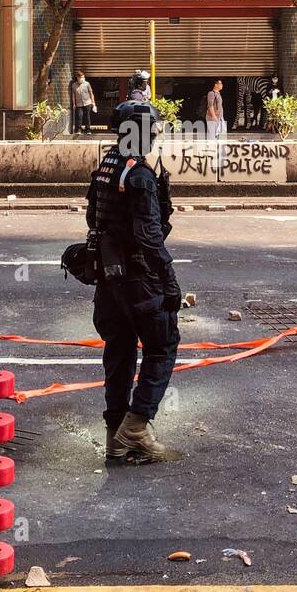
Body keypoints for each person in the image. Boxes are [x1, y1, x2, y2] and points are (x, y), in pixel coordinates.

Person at [86, 95, 181, 464]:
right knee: (162, 346)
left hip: (109, 283)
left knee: (120, 352)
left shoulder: (107, 168)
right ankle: (138, 424)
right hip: (139, 280)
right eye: (152, 131)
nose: (155, 137)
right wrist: (169, 281)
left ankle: (115, 436)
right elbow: (149, 236)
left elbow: (94, 219)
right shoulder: (139, 176)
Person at [70, 70, 96, 136]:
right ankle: (78, 129)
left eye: (83, 77)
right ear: (77, 78)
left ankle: (88, 130)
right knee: (79, 116)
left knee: (87, 117)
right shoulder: (74, 85)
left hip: (87, 103)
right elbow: (73, 95)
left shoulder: (87, 84)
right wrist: (74, 104)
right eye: (81, 77)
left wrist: (93, 103)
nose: (82, 79)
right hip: (79, 104)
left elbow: (91, 93)